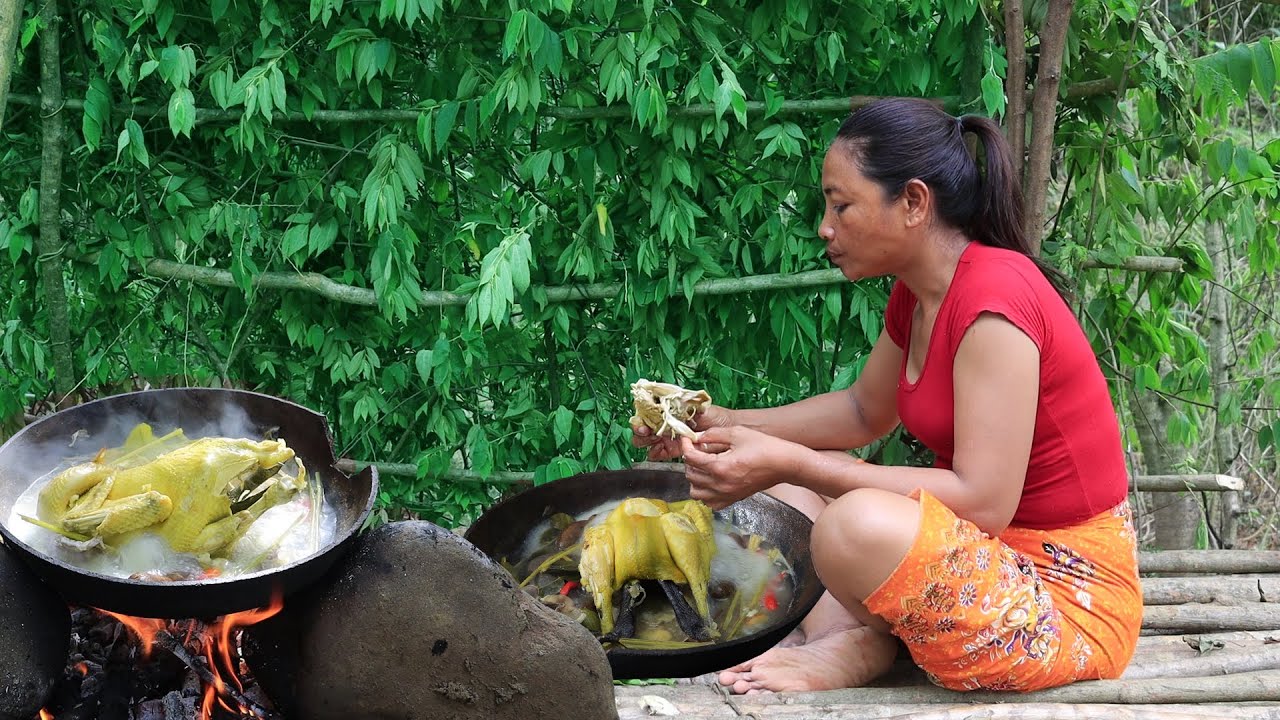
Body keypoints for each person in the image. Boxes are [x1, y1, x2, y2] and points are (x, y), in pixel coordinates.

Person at [632, 97, 1141, 695]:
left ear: (914, 203)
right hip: (983, 554)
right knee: (776, 486)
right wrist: (721, 423)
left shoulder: (994, 305)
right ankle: (852, 638)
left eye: (841, 205)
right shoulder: (919, 294)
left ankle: (854, 642)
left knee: (851, 519)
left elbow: (983, 502)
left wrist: (799, 460)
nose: (825, 226)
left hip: (1063, 599)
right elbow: (860, 412)